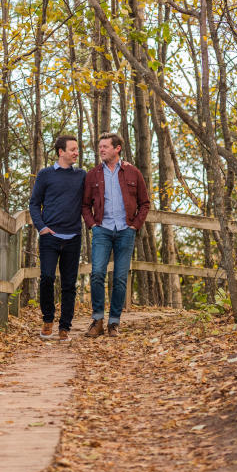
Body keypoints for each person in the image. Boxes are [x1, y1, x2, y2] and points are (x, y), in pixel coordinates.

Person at [81, 132, 150, 337]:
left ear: (117, 148)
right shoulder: (93, 174)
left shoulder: (132, 172)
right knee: (97, 275)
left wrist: (135, 226)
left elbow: (144, 203)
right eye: (100, 147)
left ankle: (114, 322)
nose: (101, 149)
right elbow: (85, 205)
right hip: (102, 230)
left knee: (120, 278)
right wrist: (93, 225)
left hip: (125, 231)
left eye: (105, 146)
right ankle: (97, 320)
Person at [28, 135, 85, 341]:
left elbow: (99, 183)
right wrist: (41, 227)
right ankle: (48, 319)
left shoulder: (81, 175)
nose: (76, 153)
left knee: (69, 284)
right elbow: (34, 203)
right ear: (61, 152)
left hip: (73, 236)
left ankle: (65, 327)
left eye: (77, 149)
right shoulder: (45, 175)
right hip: (50, 237)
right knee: (47, 278)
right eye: (73, 149)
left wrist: (124, 163)